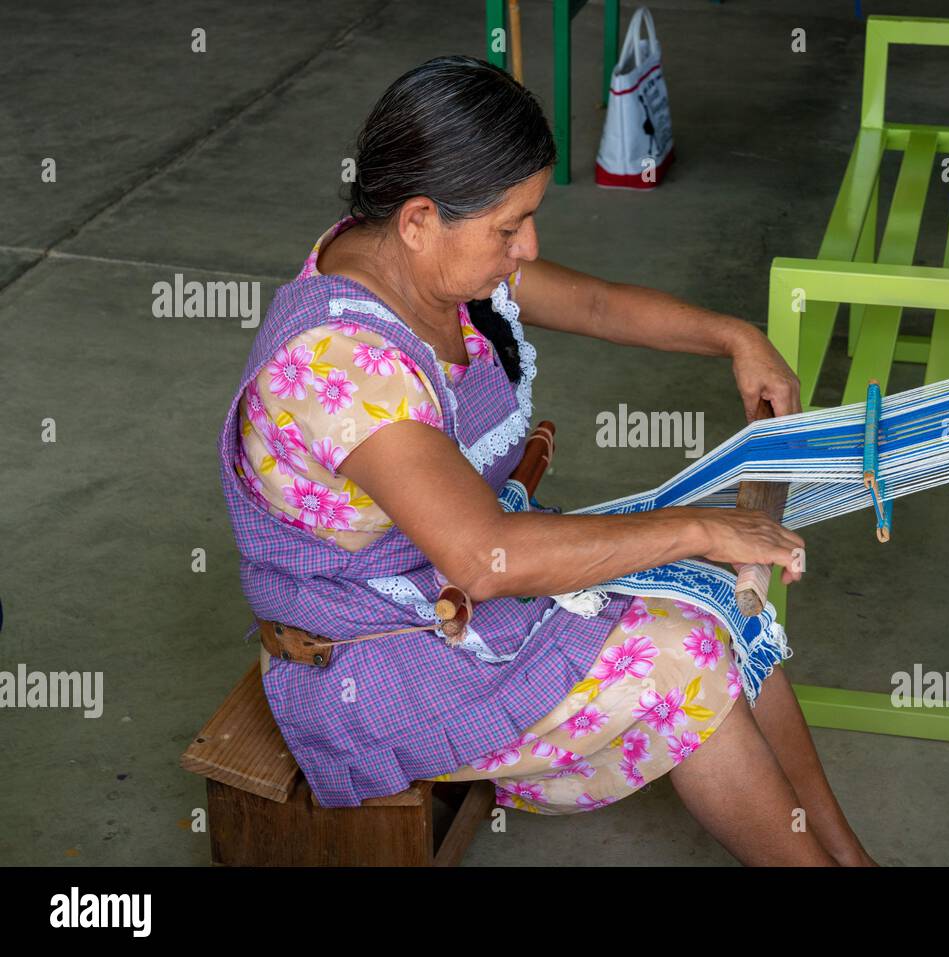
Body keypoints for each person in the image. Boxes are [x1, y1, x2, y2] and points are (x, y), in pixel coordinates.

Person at [218, 54, 876, 866]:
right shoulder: (344, 367)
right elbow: (483, 558)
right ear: (420, 217)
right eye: (508, 226)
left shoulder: (413, 254)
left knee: (716, 602)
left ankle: (848, 856)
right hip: (372, 657)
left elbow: (595, 302)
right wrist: (703, 527)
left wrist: (733, 336)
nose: (525, 245)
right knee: (687, 659)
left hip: (444, 590)